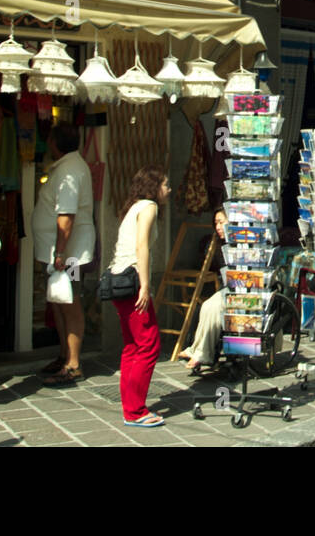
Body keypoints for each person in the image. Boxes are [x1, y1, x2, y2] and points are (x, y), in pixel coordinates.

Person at [32, 124, 96, 385]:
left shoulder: (70, 170)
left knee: (70, 303)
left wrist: (60, 251)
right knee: (59, 301)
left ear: (55, 142)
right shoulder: (66, 166)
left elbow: (66, 215)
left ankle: (73, 363)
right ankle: (64, 354)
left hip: (69, 253)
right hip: (60, 251)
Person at [108, 165, 168, 427]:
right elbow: (141, 246)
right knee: (149, 345)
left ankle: (130, 406)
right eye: (165, 184)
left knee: (133, 345)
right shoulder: (149, 207)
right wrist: (145, 285)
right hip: (132, 282)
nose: (168, 189)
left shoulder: (133, 206)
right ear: (154, 187)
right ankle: (135, 411)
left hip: (118, 279)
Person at [178, 209, 229, 371]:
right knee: (206, 307)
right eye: (216, 223)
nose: (218, 227)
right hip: (226, 289)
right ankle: (199, 351)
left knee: (211, 306)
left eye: (222, 222)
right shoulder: (219, 244)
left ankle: (201, 352)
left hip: (236, 290)